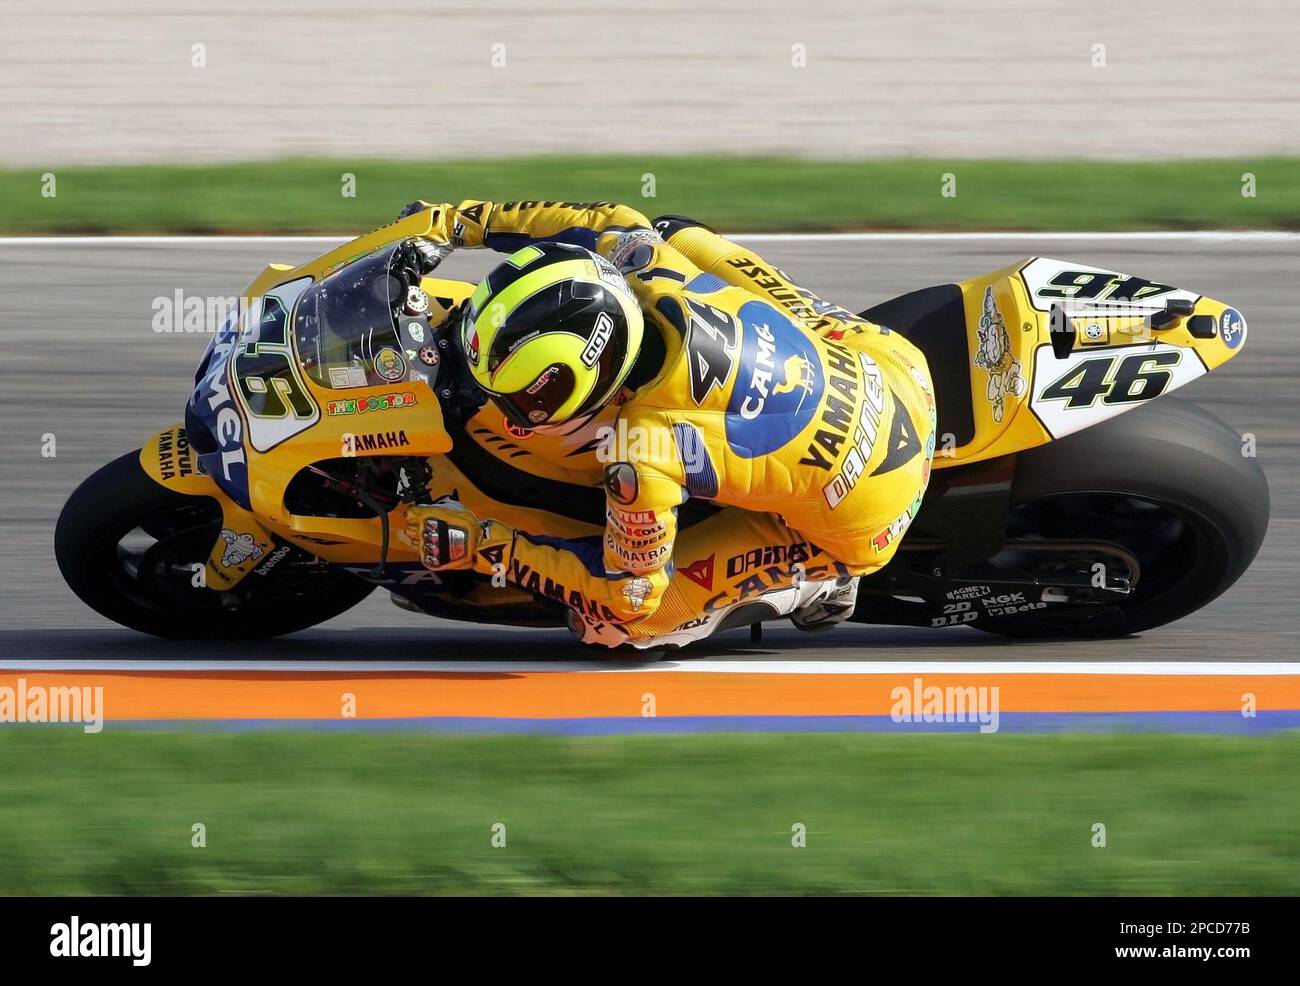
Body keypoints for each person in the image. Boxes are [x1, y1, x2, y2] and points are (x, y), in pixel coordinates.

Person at [400, 200, 936, 648]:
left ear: (597, 375)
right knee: (675, 233)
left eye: (529, 400)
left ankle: (820, 583)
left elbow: (628, 594)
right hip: (889, 362)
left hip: (868, 512)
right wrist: (456, 221)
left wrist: (486, 547)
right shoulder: (646, 267)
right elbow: (609, 216)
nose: (510, 410)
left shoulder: (643, 450)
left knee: (614, 629)